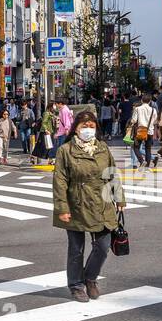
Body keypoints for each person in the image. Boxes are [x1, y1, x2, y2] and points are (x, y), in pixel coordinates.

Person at [52, 107, 126, 303]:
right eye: (84, 126)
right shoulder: (65, 150)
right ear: (75, 128)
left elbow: (112, 173)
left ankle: (90, 278)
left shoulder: (102, 148)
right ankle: (76, 285)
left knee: (103, 246)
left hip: (102, 203)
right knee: (76, 249)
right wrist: (62, 208)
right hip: (76, 202)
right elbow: (59, 180)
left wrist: (119, 199)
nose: (88, 129)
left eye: (92, 126)